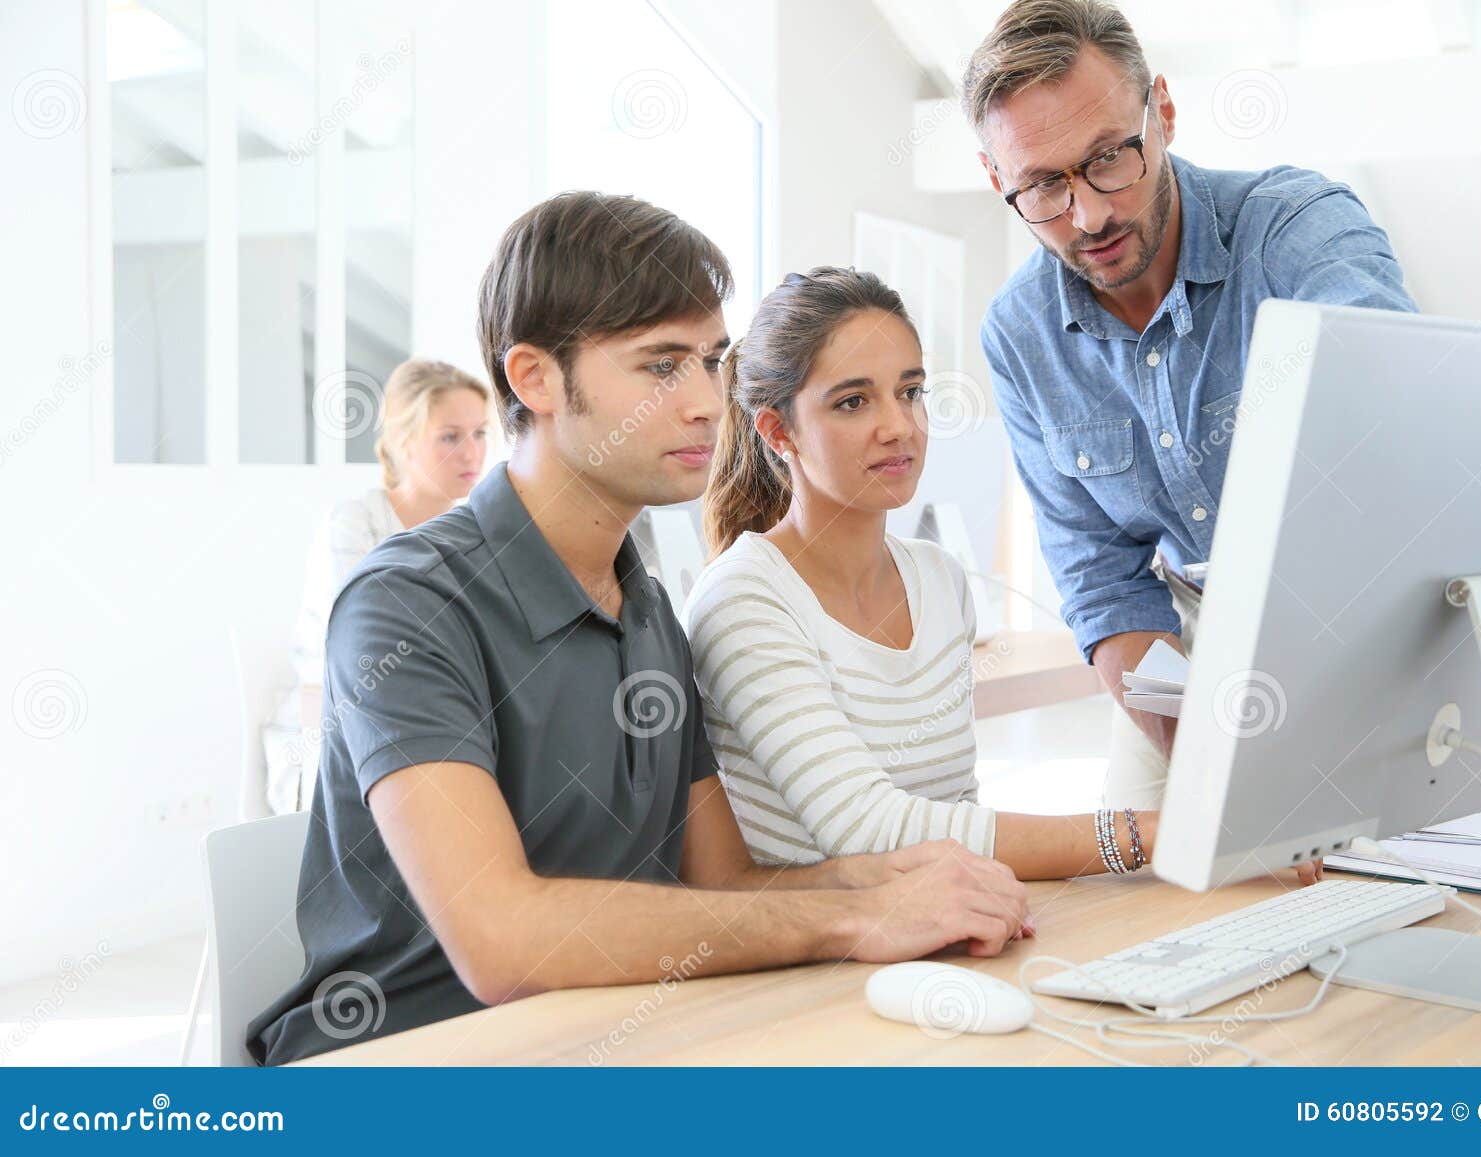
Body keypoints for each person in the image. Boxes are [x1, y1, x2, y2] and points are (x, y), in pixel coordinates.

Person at [248, 193, 1030, 1065]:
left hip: (611, 1040)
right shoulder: (407, 604)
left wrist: (902, 878)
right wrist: (852, 914)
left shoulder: (649, 607)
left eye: (711, 361)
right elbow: (503, 940)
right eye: (661, 367)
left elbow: (723, 883)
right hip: (410, 1060)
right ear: (534, 378)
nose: (706, 401)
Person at [968, 0, 1414, 820]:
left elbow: (1396, 423)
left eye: (1110, 159)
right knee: (1151, 875)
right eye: (1042, 186)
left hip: (1363, 609)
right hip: (1186, 639)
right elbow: (1104, 584)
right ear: (999, 179)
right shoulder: (1019, 334)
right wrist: (1216, 757)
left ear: (1162, 113)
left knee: (1394, 862)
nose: (1089, 215)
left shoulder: (1294, 232)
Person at [687, 266, 1156, 882]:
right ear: (779, 431)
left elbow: (957, 811)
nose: (900, 427)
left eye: (909, 391)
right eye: (853, 401)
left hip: (935, 933)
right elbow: (868, 830)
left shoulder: (939, 579)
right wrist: (1145, 833)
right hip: (814, 959)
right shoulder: (743, 599)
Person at [261, 359, 492, 814]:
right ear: (404, 443)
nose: (472, 453)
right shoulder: (355, 523)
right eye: (450, 436)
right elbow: (359, 652)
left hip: (430, 721)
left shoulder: (478, 532)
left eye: (481, 433)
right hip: (334, 736)